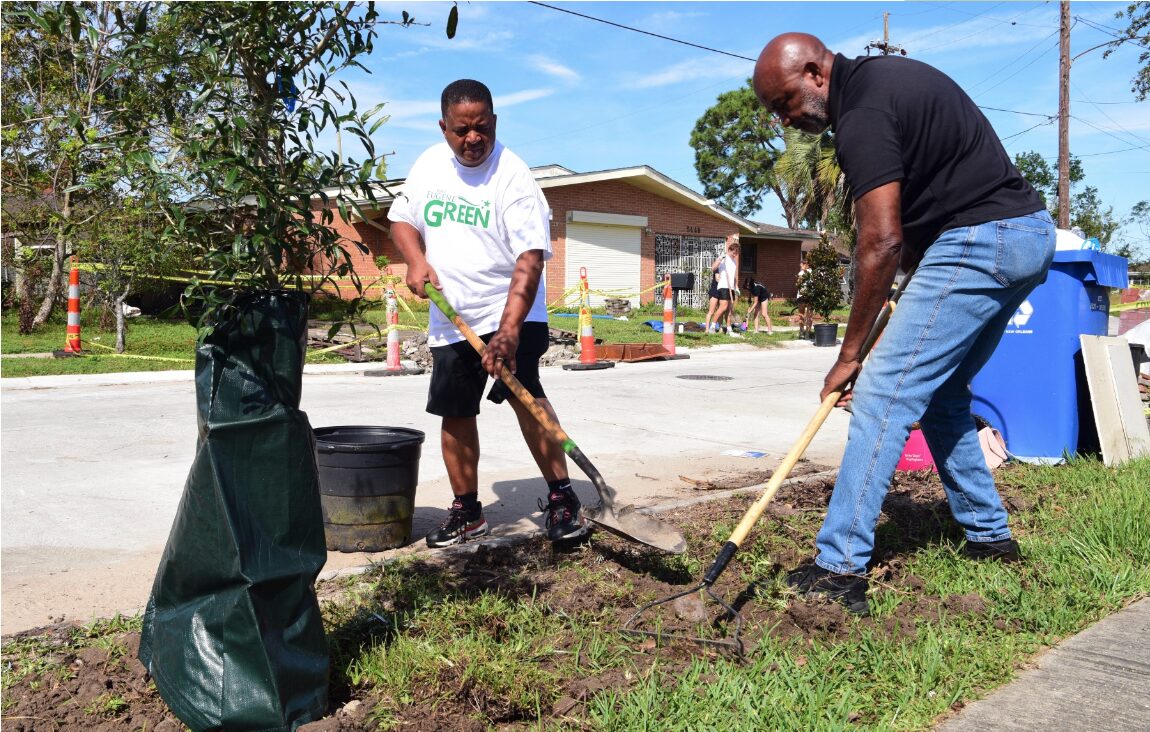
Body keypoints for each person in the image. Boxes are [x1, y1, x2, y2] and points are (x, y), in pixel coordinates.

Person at [753, 34, 1054, 616]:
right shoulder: (884, 85)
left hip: (981, 240)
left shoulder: (862, 113)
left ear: (814, 72)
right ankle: (990, 536)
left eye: (784, 102)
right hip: (1026, 236)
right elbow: (916, 231)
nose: (784, 119)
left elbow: (881, 241)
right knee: (942, 394)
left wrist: (850, 356)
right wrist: (901, 307)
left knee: (882, 396)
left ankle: (839, 568)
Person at [388, 79, 588, 548]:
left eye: (482, 127)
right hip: (451, 316)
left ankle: (562, 497)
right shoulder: (429, 164)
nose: (473, 138)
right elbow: (401, 220)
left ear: (495, 122)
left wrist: (509, 331)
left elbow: (530, 260)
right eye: (462, 130)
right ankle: (467, 511)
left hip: (513, 312)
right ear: (444, 127)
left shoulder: (514, 179)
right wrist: (415, 260)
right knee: (455, 410)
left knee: (526, 396)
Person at [705, 238, 741, 336]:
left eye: (736, 253)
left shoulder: (734, 262)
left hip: (731, 288)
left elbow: (733, 276)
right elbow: (713, 268)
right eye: (734, 253)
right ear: (729, 250)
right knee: (723, 307)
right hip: (724, 286)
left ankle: (729, 330)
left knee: (729, 310)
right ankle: (712, 327)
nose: (735, 255)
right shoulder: (724, 258)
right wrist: (720, 258)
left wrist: (736, 287)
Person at [794, 260, 814, 339]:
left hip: (802, 296)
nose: (800, 266)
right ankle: (807, 334)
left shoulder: (801, 273)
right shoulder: (812, 273)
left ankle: (802, 332)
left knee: (801, 314)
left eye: (801, 265)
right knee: (809, 315)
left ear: (805, 264)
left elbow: (798, 284)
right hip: (810, 296)